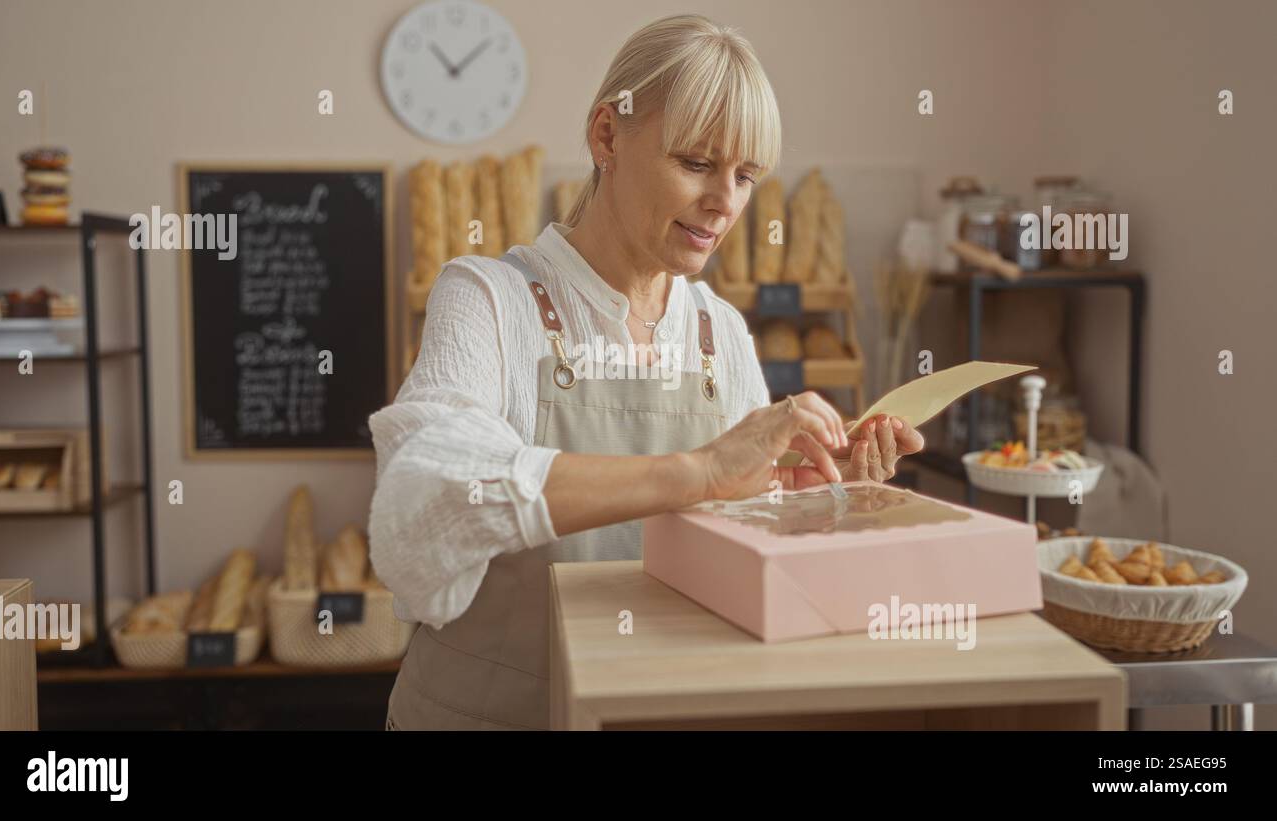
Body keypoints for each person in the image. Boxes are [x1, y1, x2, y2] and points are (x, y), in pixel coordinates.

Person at [371, 13, 924, 731]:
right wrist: (696, 470)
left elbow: (739, 558)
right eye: (696, 163)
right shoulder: (489, 299)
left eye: (746, 176)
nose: (725, 202)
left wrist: (820, 500)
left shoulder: (716, 332)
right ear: (608, 135)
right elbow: (421, 499)